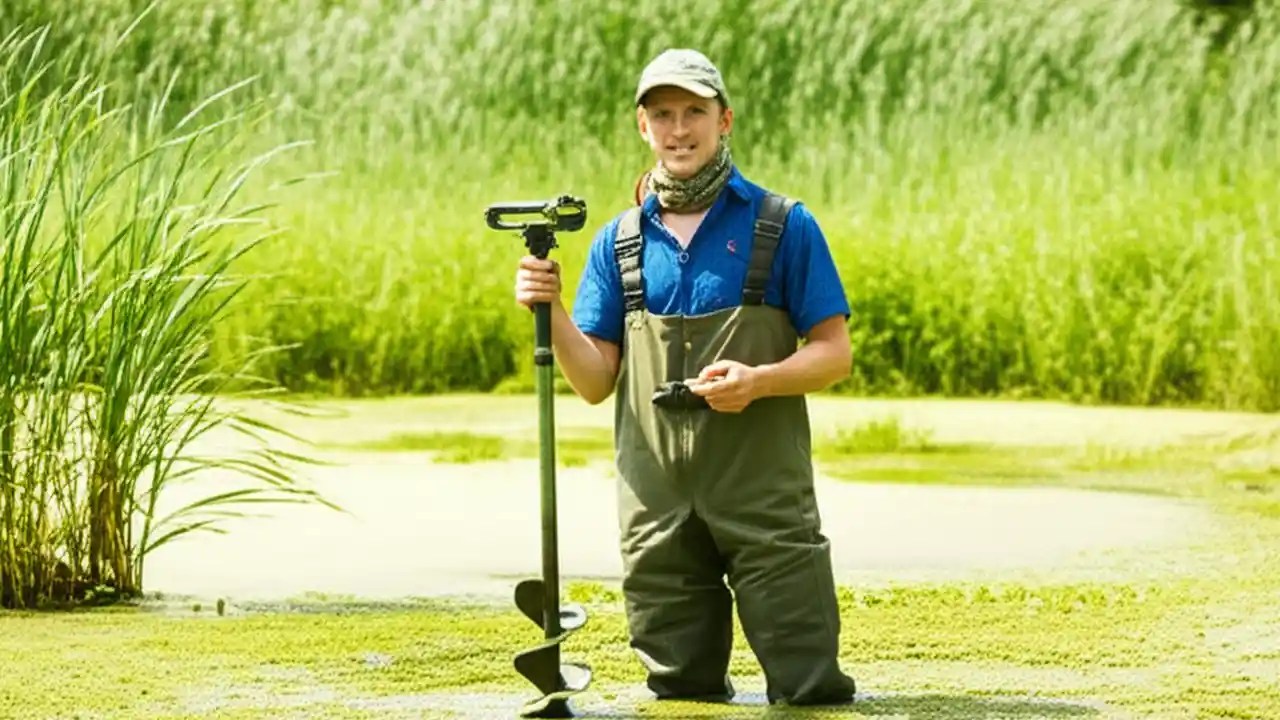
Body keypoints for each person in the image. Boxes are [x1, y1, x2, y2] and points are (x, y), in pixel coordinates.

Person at [513, 48, 858, 706]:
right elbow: (593, 381)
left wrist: (758, 381)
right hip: (657, 504)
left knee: (810, 689)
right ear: (642, 127)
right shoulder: (619, 243)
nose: (679, 129)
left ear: (724, 119)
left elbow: (834, 354)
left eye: (694, 112)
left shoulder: (783, 224)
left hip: (765, 499)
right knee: (679, 695)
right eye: (662, 114)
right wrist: (549, 309)